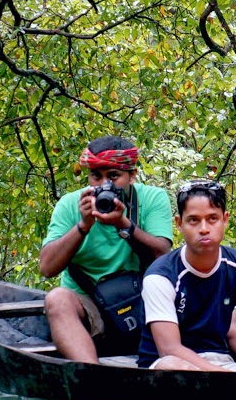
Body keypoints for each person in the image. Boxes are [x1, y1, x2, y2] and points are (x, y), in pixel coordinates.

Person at [39, 135, 173, 363]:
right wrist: (83, 226)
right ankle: (92, 375)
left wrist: (124, 224)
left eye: (113, 176)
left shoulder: (153, 198)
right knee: (57, 298)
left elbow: (163, 257)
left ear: (132, 175)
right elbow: (47, 268)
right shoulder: (70, 204)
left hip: (141, 299)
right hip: (89, 304)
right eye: (96, 176)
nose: (103, 186)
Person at [138, 179, 236, 371]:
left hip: (221, 360)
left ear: (225, 220)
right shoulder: (161, 276)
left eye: (212, 219)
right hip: (167, 366)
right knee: (174, 365)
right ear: (179, 224)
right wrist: (223, 377)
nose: (204, 228)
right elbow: (169, 349)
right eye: (194, 220)